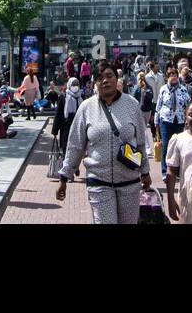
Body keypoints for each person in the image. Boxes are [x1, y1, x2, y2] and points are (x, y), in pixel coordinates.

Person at [57, 60, 153, 224]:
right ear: (95, 83)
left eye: (109, 76)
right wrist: (64, 177)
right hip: (99, 182)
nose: (105, 81)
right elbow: (75, 145)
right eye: (100, 78)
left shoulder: (131, 105)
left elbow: (141, 142)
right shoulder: (87, 108)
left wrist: (145, 172)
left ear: (117, 79)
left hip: (129, 181)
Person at [155, 69, 191, 177]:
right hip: (166, 120)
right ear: (167, 77)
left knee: (178, 146)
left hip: (179, 120)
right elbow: (158, 106)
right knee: (166, 145)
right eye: (170, 75)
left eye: (174, 75)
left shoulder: (183, 89)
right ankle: (165, 171)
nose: (173, 77)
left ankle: (177, 170)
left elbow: (188, 105)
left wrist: (188, 119)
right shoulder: (163, 89)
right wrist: (156, 122)